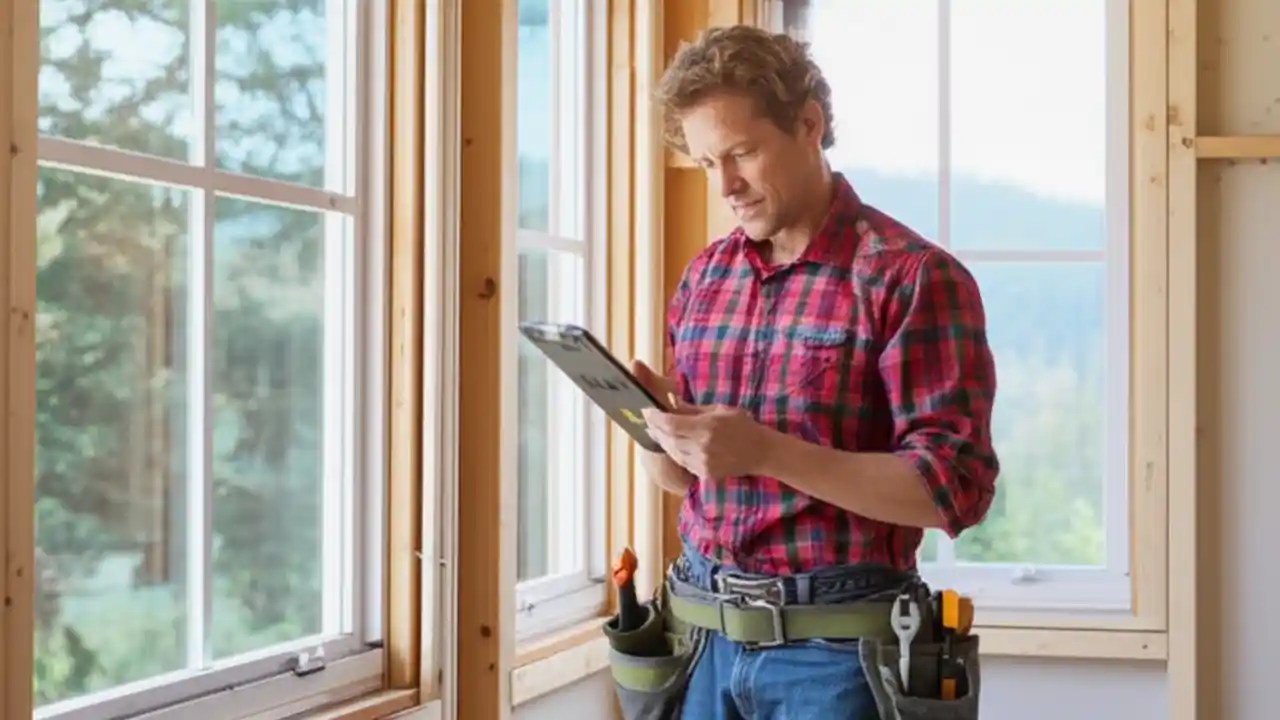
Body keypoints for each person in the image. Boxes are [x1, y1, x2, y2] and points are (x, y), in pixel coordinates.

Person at [630, 24, 1000, 720]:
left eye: (741, 153)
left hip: (840, 657)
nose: (725, 185)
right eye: (707, 163)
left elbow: (953, 489)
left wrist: (766, 451)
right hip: (698, 639)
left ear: (809, 124)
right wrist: (658, 436)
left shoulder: (912, 277)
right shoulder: (706, 276)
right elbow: (688, 482)